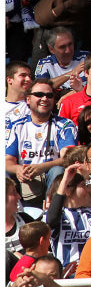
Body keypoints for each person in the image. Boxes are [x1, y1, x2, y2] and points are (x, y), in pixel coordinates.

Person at [5, 79, 77, 207]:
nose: (44, 98)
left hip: (51, 178)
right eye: (39, 95)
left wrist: (41, 167)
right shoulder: (17, 126)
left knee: (58, 170)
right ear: (28, 99)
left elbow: (69, 158)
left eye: (49, 96)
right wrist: (18, 169)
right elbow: (7, 161)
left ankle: (53, 211)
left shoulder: (65, 125)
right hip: (25, 180)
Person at [46, 161, 91, 272]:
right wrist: (65, 180)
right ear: (68, 190)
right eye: (83, 186)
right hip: (67, 276)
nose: (88, 190)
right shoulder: (59, 216)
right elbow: (51, 220)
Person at [5, 254, 72, 287]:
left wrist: (46, 280)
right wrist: (17, 285)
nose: (41, 279)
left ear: (62, 277)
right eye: (38, 275)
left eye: (52, 276)